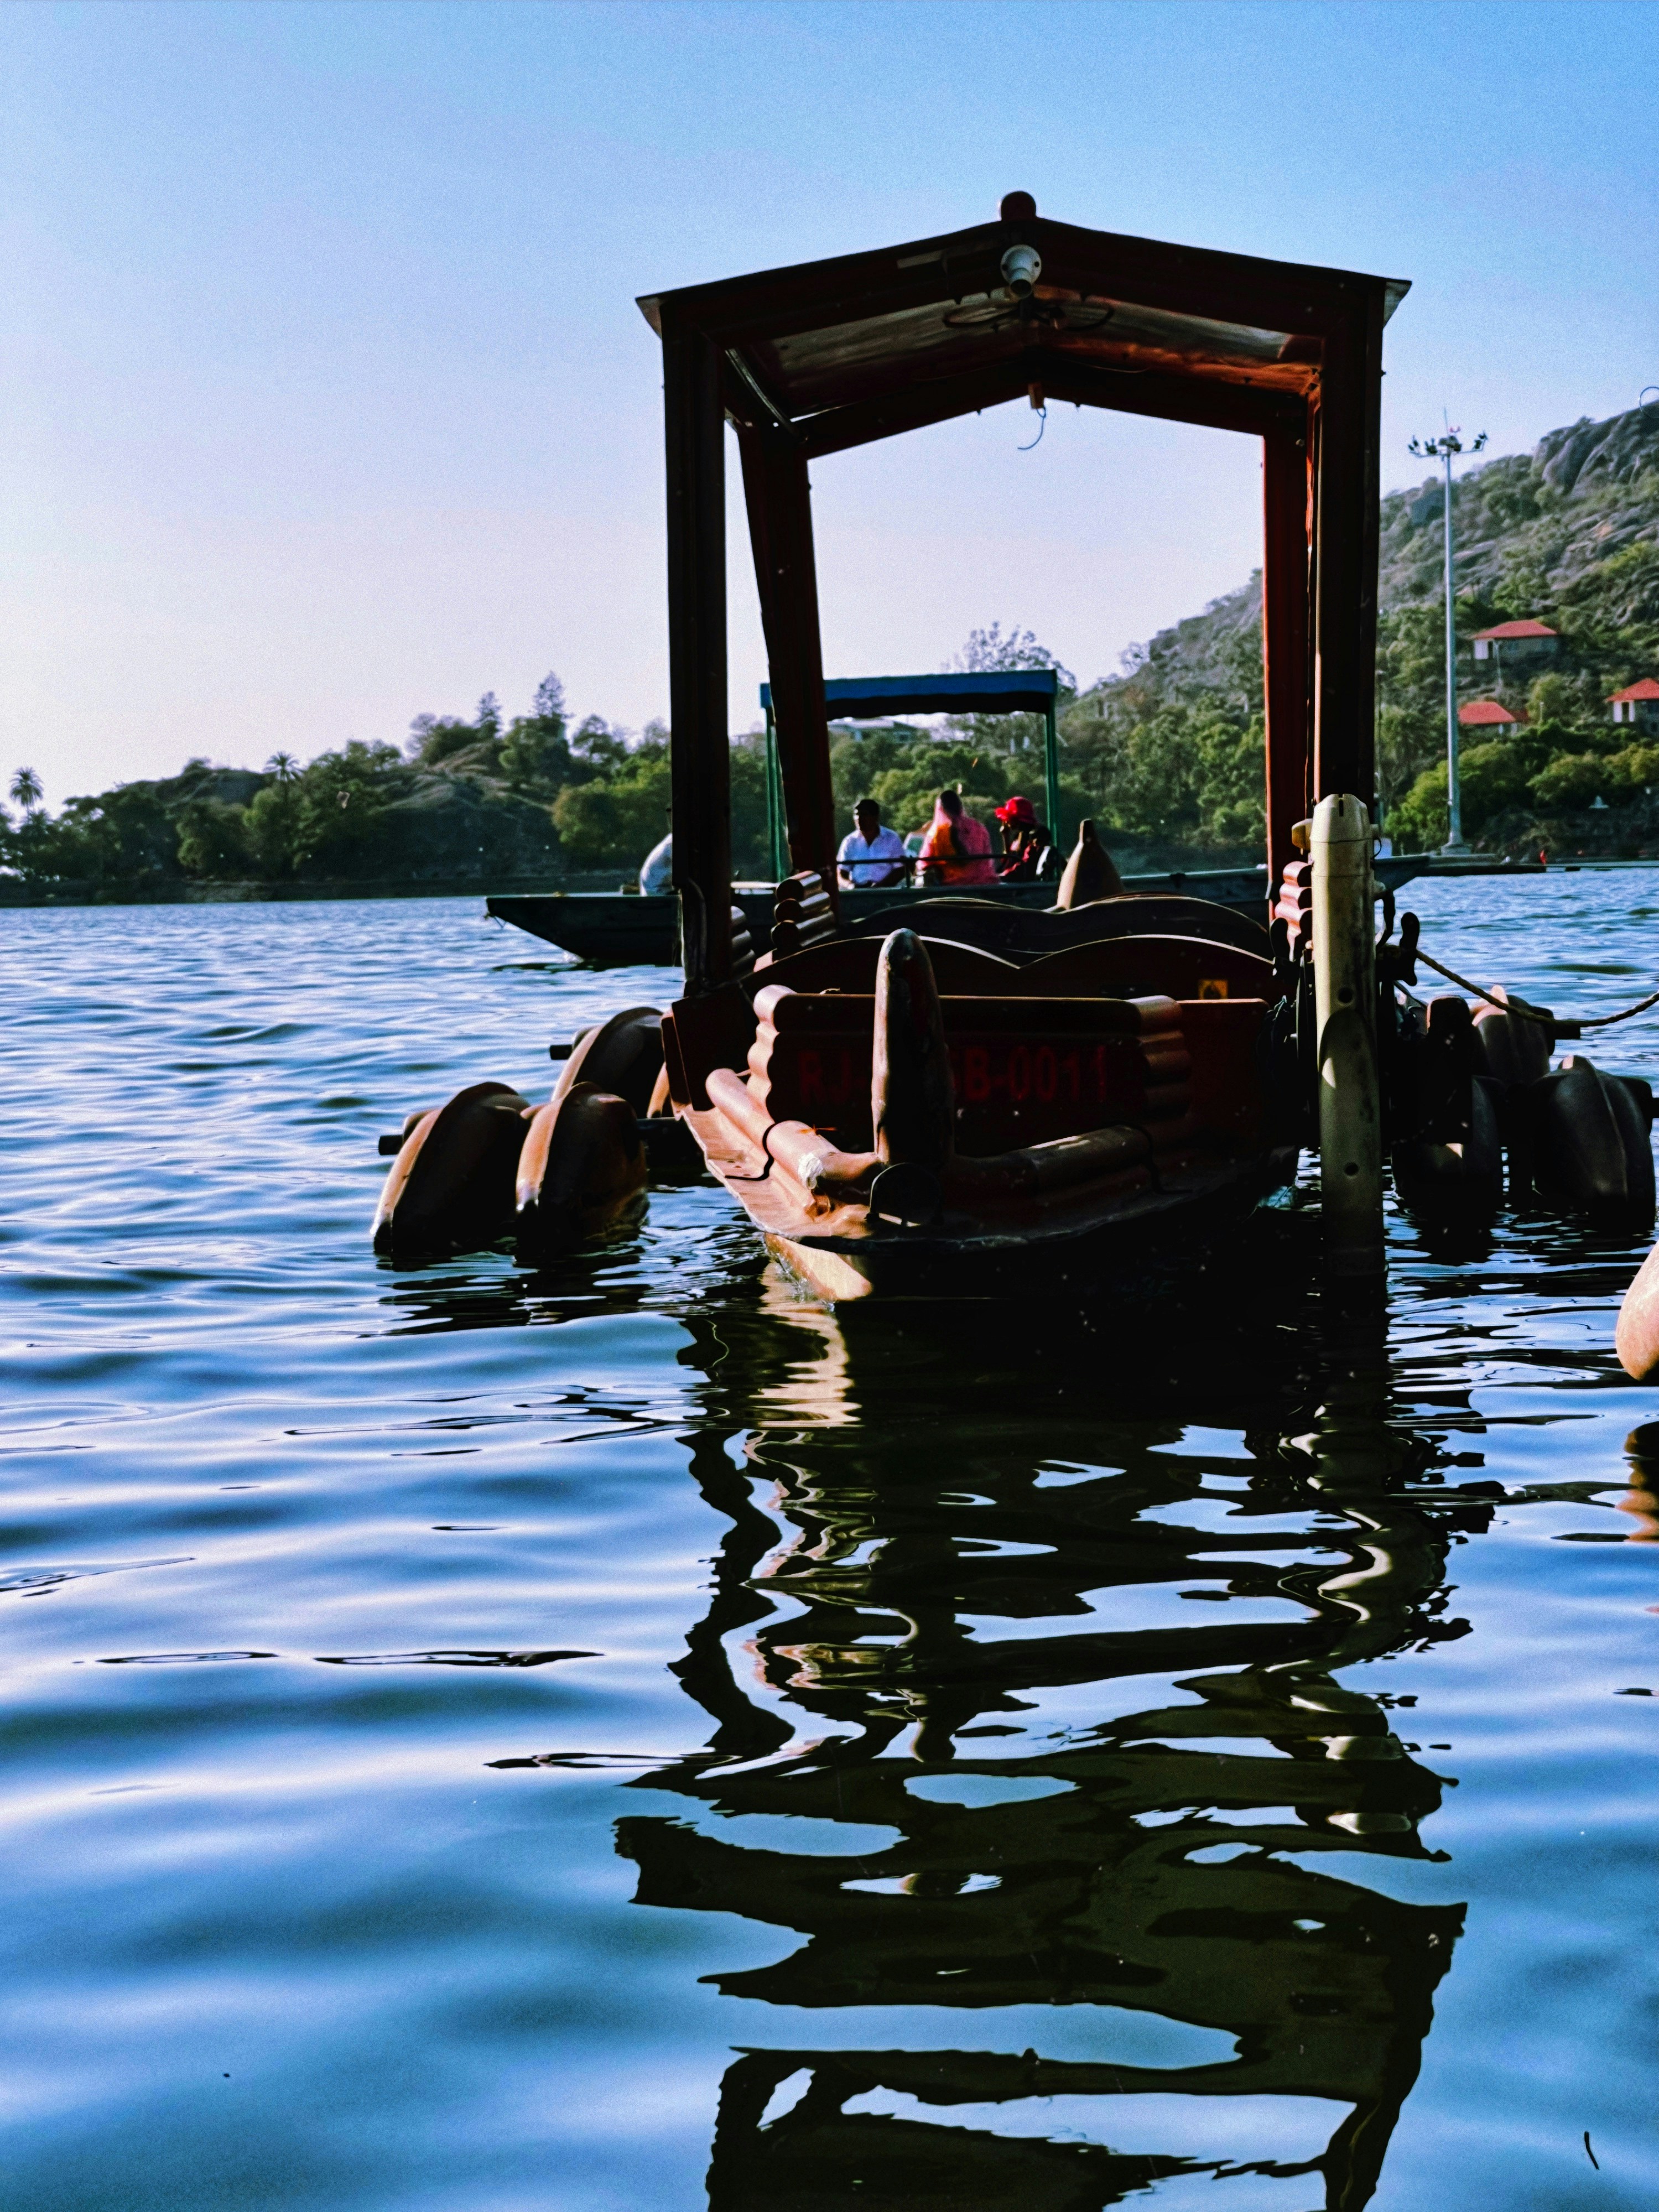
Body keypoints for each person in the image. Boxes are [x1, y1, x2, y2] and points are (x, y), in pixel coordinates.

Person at [919, 788, 996, 886]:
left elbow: (924, 863)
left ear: (941, 809)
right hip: (984, 885)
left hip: (951, 888)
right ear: (960, 806)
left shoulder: (936, 833)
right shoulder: (978, 827)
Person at [835, 798, 909, 889]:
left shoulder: (892, 838)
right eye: (857, 814)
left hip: (886, 892)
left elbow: (900, 871)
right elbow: (841, 873)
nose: (859, 818)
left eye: (864, 814)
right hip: (857, 892)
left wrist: (878, 888)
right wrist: (850, 886)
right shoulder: (849, 841)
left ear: (876, 817)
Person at [993, 794, 1053, 882]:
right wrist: (1005, 836)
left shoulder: (1036, 835)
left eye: (1008, 818)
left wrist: (1000, 877)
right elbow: (1008, 862)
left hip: (1026, 885)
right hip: (1016, 882)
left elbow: (1025, 867)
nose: (1005, 821)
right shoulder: (1019, 835)